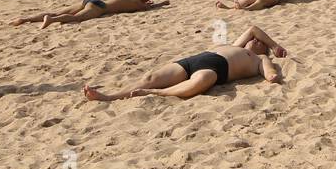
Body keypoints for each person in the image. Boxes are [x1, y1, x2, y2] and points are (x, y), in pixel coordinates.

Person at [83, 25, 286, 101]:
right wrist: (274, 44)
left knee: (201, 82)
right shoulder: (237, 45)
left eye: (260, 43)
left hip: (217, 69)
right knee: (150, 77)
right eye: (256, 40)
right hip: (194, 60)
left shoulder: (260, 58)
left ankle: (156, 93)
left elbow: (271, 75)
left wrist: (272, 71)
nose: (256, 41)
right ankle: (110, 96)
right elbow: (253, 28)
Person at [12, 0, 162, 28]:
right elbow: (148, 8)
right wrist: (162, 4)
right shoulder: (137, 3)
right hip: (100, 7)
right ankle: (50, 20)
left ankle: (24, 19)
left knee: (57, 11)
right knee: (76, 18)